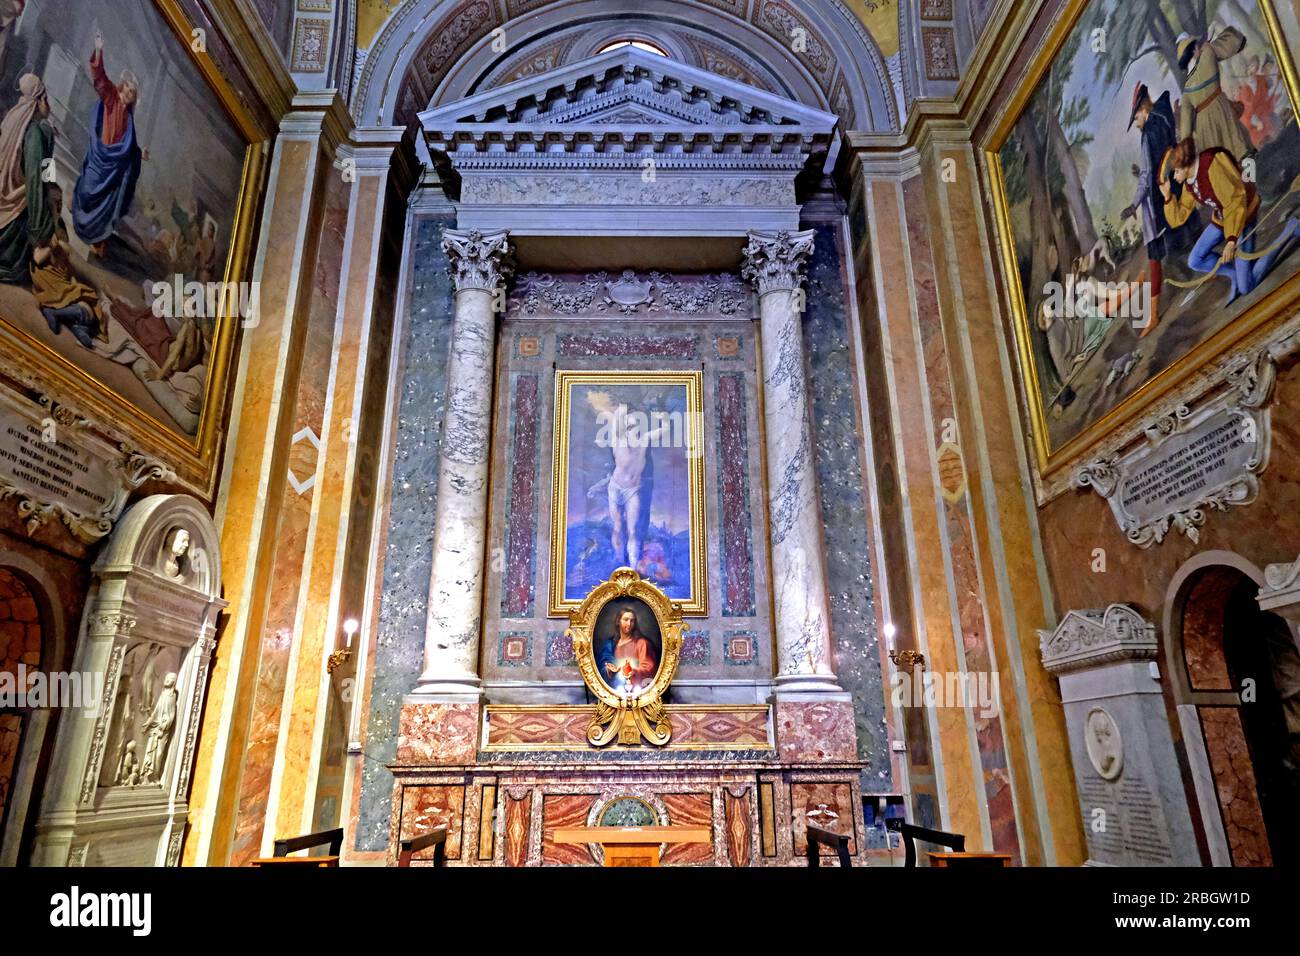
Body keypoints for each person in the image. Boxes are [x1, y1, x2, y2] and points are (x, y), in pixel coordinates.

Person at [1161, 136, 1299, 304]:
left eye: (1176, 171)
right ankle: (1235, 273)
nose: (1175, 177)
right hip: (1223, 219)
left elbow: (1236, 201)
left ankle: (1290, 230)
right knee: (1195, 259)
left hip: (1242, 215)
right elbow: (1179, 216)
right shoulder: (1190, 182)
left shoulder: (1212, 163)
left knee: (1246, 287)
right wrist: (1168, 197)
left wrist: (1232, 241)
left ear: (1186, 165)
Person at [1121, 82, 1192, 337]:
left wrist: (1134, 204)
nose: (1137, 123)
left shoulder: (1150, 130)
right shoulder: (1163, 118)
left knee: (1154, 256)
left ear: (1143, 108)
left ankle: (1153, 316)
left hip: (1159, 200)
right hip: (1172, 188)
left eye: (1136, 118)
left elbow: (1147, 174)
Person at [72, 33, 146, 257]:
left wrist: (139, 154)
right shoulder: (111, 98)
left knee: (107, 204)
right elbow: (100, 78)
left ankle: (98, 241)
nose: (128, 96)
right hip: (100, 159)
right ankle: (81, 224)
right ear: (122, 88)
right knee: (87, 190)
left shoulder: (129, 120)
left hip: (113, 168)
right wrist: (99, 51)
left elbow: (129, 145)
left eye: (132, 95)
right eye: (127, 91)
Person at [0, 73, 54, 283]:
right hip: (10, 220)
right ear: (38, 100)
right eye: (46, 99)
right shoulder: (34, 134)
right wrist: (42, 235)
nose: (48, 105)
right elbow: (36, 183)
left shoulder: (14, 117)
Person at [1175, 30, 1254, 160]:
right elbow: (1233, 41)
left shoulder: (1186, 91)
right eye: (1196, 46)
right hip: (1220, 109)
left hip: (1204, 126)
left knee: (1218, 158)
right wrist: (1208, 46)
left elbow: (1186, 129)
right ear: (1194, 50)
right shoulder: (1208, 54)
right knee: (1237, 147)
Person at [597, 607, 658, 694]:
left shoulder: (642, 643)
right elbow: (601, 666)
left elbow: (649, 668)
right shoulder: (610, 644)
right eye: (626, 620)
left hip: (636, 690)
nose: (629, 624)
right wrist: (608, 669)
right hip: (615, 692)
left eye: (632, 621)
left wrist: (634, 671)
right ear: (618, 621)